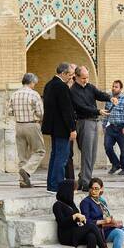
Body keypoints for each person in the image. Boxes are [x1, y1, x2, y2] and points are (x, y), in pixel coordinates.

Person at [54, 178, 115, 248]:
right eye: (74, 190)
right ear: (67, 191)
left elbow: (76, 220)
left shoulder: (71, 204)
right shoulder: (57, 205)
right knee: (91, 225)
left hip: (75, 231)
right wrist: (74, 216)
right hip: (66, 236)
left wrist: (81, 219)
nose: (75, 192)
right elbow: (61, 223)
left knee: (91, 236)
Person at [70, 66, 111, 191]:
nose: (85, 80)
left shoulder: (89, 87)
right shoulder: (73, 91)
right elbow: (81, 107)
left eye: (87, 77)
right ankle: (87, 182)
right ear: (76, 77)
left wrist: (110, 97)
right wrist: (98, 110)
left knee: (92, 154)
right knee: (87, 153)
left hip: (94, 122)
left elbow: (99, 94)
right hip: (84, 122)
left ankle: (83, 179)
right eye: (83, 78)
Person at [41, 63, 77, 192]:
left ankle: (51, 185)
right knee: (61, 157)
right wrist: (72, 129)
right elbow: (66, 110)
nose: (71, 78)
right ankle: (57, 185)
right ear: (63, 73)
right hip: (62, 128)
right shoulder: (61, 87)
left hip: (53, 127)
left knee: (55, 156)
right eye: (70, 75)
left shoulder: (49, 85)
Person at [8, 72, 45, 189]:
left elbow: (9, 112)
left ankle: (22, 181)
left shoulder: (14, 94)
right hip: (31, 125)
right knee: (39, 151)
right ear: (32, 82)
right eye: (34, 83)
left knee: (22, 155)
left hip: (19, 125)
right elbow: (40, 113)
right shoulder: (34, 94)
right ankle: (26, 170)